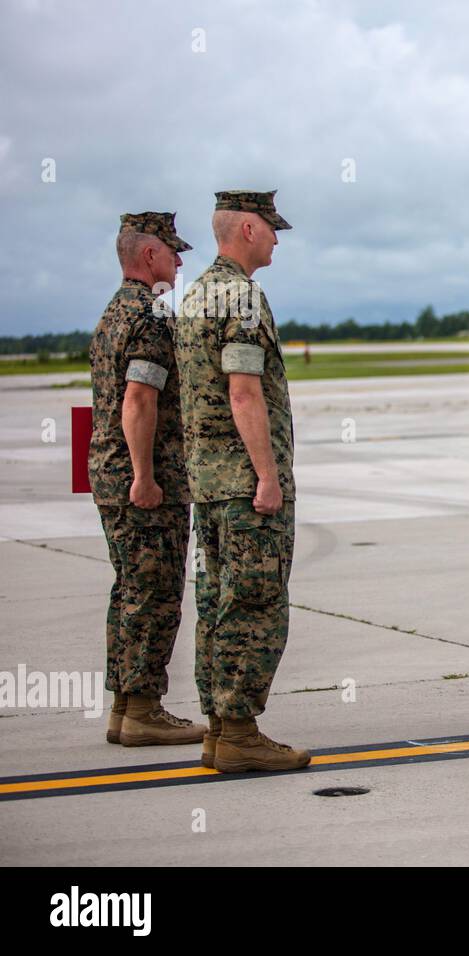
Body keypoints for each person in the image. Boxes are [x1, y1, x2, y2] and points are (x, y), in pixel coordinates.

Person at [176, 189, 309, 770]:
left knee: (217, 603)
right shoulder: (241, 298)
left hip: (207, 484)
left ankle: (217, 728)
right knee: (254, 604)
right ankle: (238, 733)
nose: (278, 238)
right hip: (243, 486)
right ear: (248, 229)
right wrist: (268, 476)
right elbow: (243, 390)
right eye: (272, 228)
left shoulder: (195, 294)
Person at [90, 211, 204, 747]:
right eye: (173, 252)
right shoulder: (152, 318)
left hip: (107, 473)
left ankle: (123, 705)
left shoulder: (113, 313)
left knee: (129, 591)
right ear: (148, 255)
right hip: (143, 481)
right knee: (154, 593)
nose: (180, 262)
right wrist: (144, 477)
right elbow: (139, 398)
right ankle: (143, 709)